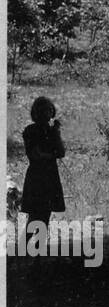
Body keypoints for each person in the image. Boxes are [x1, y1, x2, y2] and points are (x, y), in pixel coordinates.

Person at [21, 96, 66, 235]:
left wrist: (56, 132)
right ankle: (25, 247)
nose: (47, 113)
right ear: (37, 112)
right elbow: (36, 155)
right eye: (44, 110)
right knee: (35, 214)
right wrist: (51, 155)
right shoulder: (30, 130)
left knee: (46, 214)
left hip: (50, 175)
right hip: (37, 176)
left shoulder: (51, 131)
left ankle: (37, 251)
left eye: (49, 110)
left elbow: (61, 152)